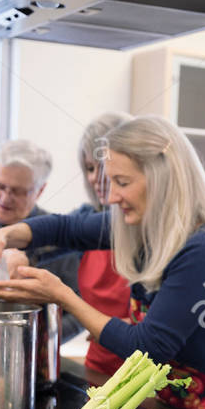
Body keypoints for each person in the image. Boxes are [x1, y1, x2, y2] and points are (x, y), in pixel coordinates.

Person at [0, 114, 205, 409]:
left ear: (161, 179)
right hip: (171, 404)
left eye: (122, 183)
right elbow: (66, 228)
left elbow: (148, 348)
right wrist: (6, 234)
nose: (111, 196)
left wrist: (61, 295)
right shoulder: (142, 229)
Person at [0, 139, 83, 337]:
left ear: (40, 190)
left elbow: (77, 315)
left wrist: (39, 340)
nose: (5, 198)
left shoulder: (57, 237)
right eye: (0, 186)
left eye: (17, 191)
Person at [72, 112, 134, 375]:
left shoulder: (145, 230)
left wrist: (119, 329)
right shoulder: (87, 221)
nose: (95, 178)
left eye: (103, 167)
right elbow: (53, 231)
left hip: (143, 372)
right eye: (89, 168)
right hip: (98, 367)